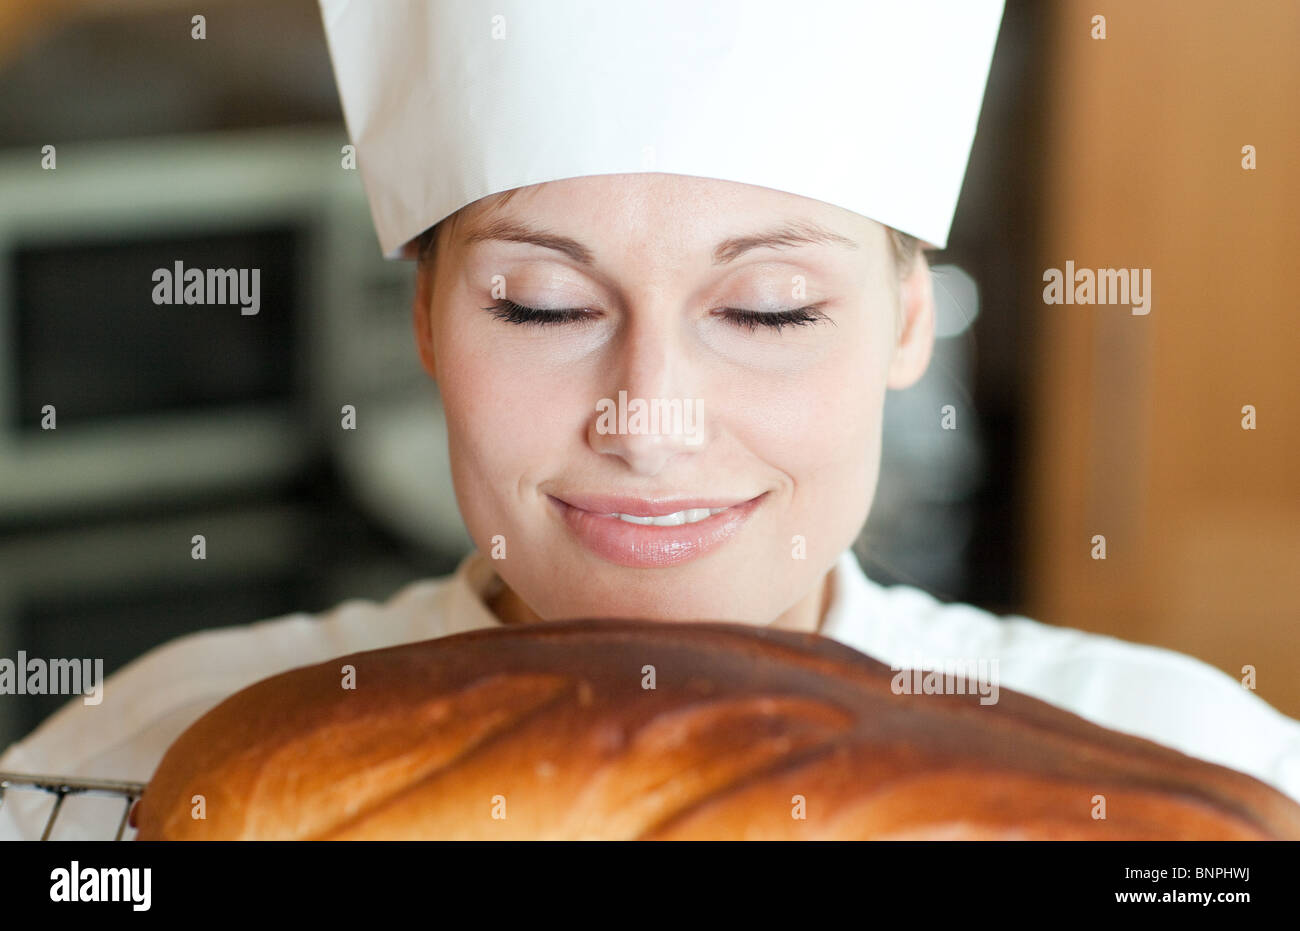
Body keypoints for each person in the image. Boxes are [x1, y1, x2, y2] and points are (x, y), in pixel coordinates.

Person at [3, 0, 1298, 840]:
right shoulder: (119, 777)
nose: (649, 422)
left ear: (910, 322)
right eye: (544, 304)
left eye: (773, 310)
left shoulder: (1186, 780)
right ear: (425, 319)